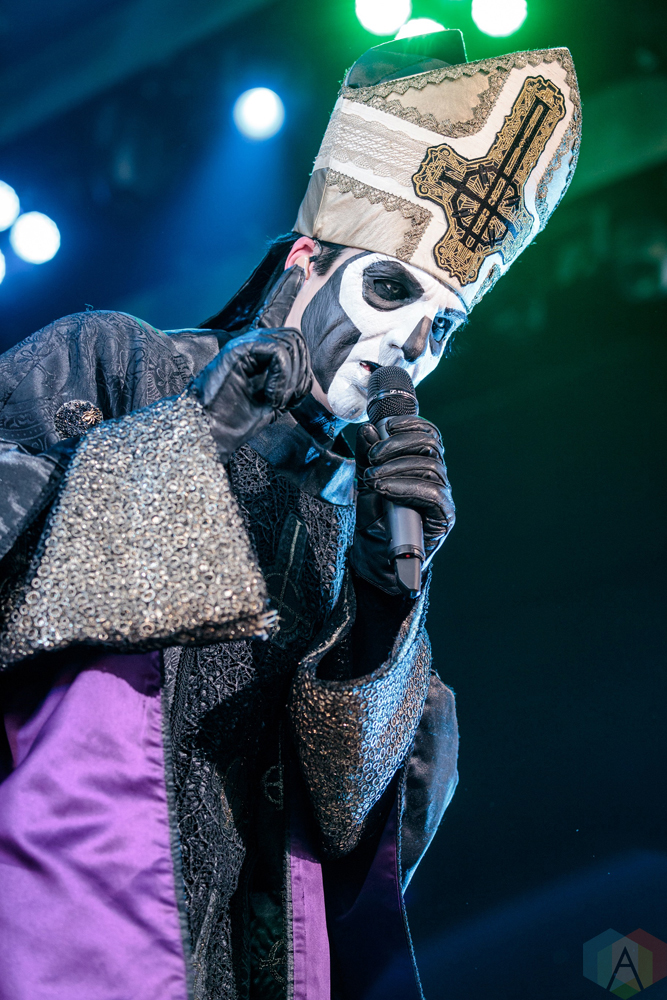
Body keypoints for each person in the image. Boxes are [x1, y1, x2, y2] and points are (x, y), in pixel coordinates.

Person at [0, 31, 580, 1000]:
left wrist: (384, 609)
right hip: (68, 928)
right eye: (389, 289)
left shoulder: (355, 513)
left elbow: (361, 830)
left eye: (440, 327)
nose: (408, 345)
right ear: (304, 260)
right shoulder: (114, 362)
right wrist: (194, 437)